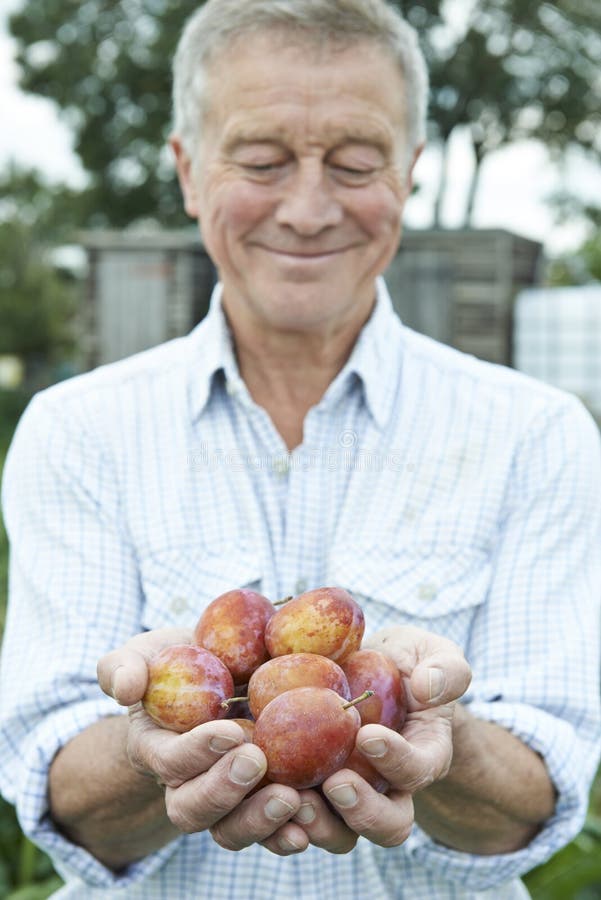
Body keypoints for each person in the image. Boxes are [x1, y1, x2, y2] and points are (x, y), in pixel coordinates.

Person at [0, 1, 599, 897]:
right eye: (262, 161)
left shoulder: (535, 435)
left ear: (409, 174)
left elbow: (537, 800)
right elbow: (56, 793)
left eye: (355, 163)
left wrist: (446, 737)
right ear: (188, 171)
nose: (309, 209)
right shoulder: (78, 430)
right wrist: (142, 751)